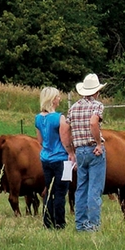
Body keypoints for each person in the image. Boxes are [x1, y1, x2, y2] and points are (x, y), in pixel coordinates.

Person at [67, 73, 107, 232]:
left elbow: (65, 129)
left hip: (79, 151)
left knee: (81, 188)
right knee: (94, 189)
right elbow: (93, 122)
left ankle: (80, 224)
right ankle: (92, 225)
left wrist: (70, 150)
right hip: (93, 149)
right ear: (96, 92)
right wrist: (98, 143)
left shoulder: (73, 107)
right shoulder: (97, 105)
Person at [35, 87, 74, 229]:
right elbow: (65, 140)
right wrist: (71, 153)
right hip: (60, 159)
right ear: (52, 100)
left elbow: (39, 140)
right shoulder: (59, 118)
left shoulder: (38, 118)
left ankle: (47, 221)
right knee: (60, 192)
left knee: (48, 191)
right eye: (57, 97)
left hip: (45, 159)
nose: (59, 99)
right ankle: (60, 222)